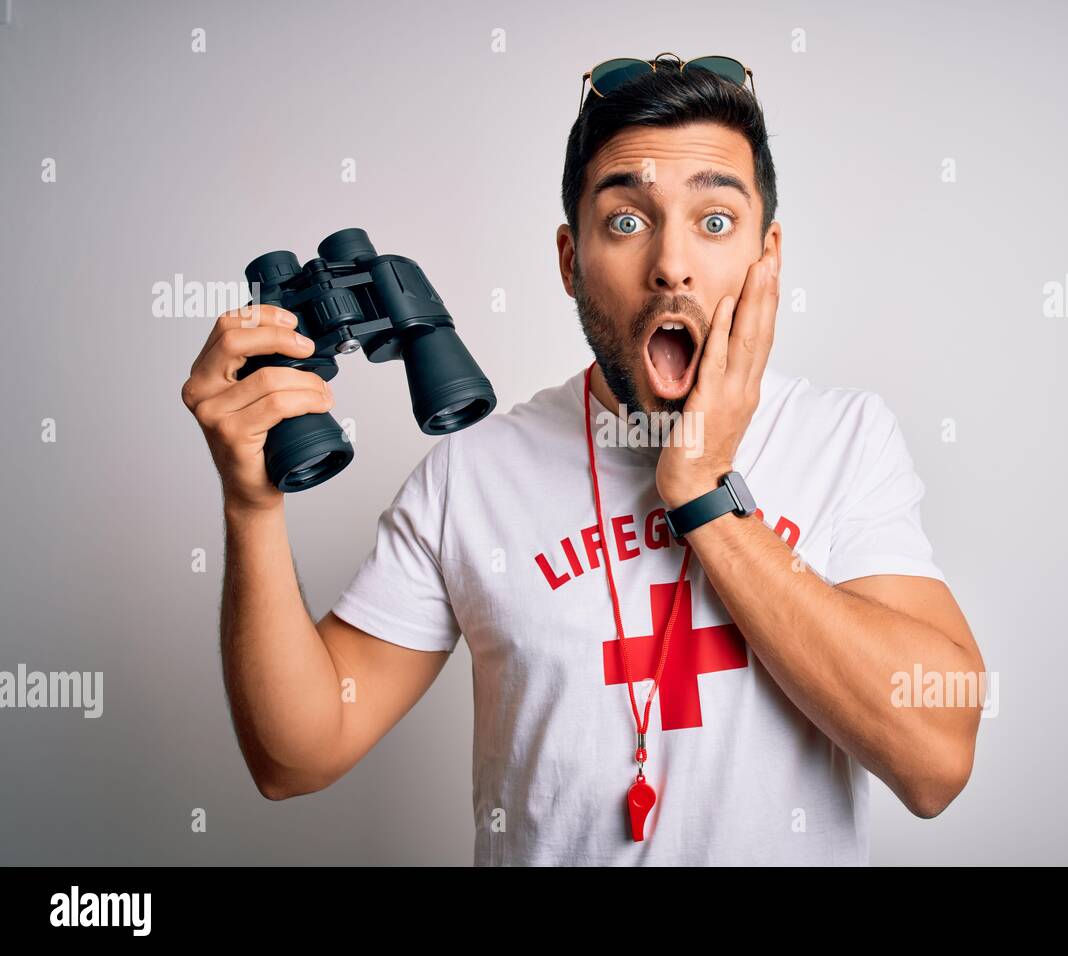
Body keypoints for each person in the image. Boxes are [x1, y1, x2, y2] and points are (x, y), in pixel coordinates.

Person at [180, 53, 984, 866]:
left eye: (714, 221)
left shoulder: (844, 439)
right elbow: (295, 757)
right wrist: (251, 508)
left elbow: (935, 762)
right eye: (627, 221)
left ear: (767, 257)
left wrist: (701, 491)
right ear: (570, 261)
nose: (672, 263)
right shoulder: (474, 476)